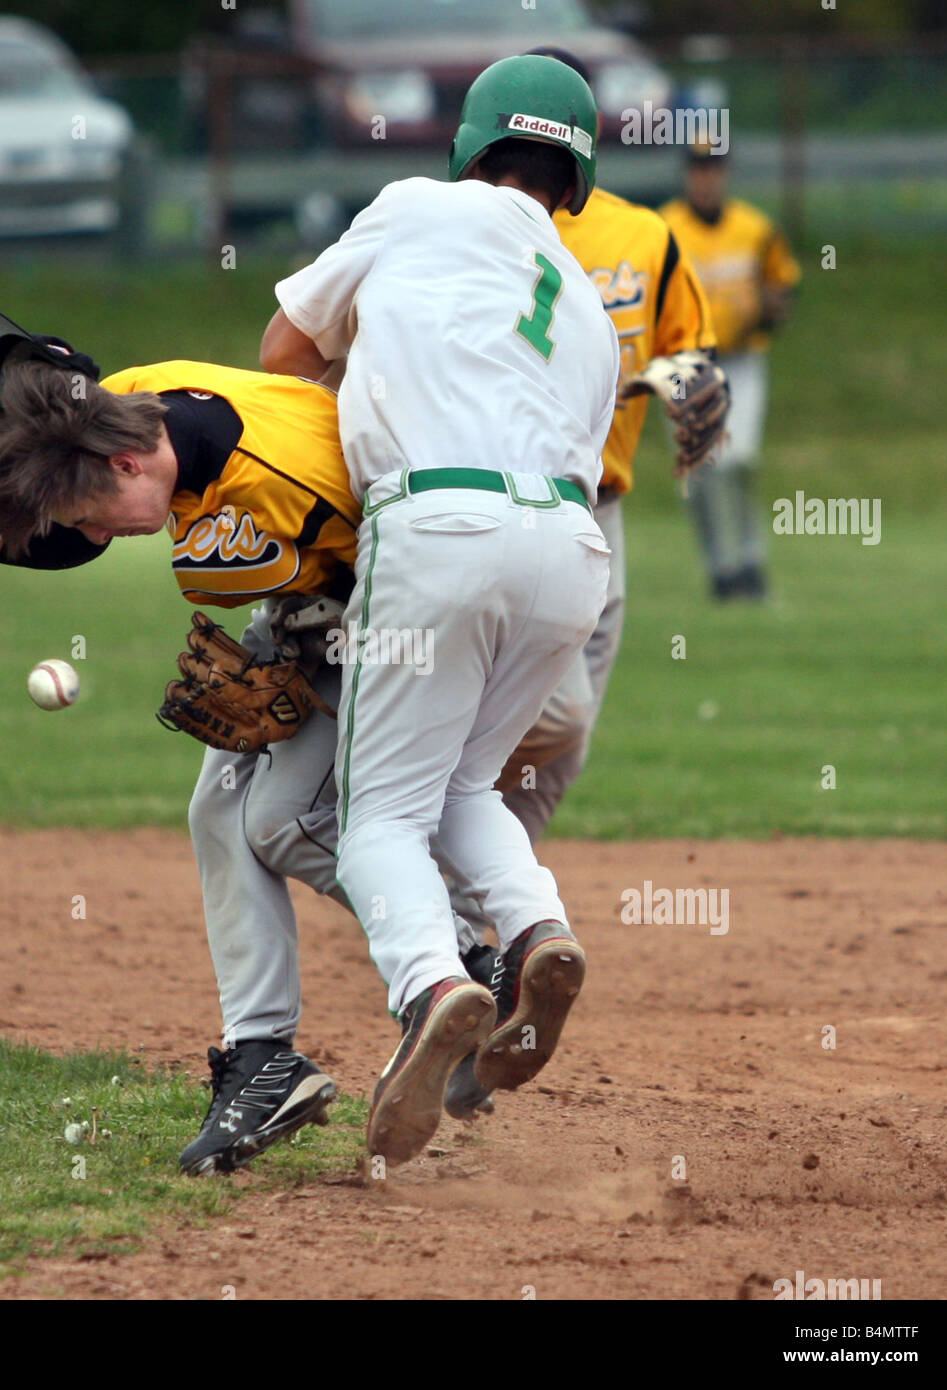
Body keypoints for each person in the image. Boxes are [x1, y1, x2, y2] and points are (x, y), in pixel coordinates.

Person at [260, 54, 618, 1165]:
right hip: (569, 550)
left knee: (378, 815)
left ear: (470, 147)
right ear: (576, 177)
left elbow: (283, 354)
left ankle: (432, 985)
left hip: (438, 530)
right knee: (466, 784)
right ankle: (533, 929)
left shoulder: (417, 205)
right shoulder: (590, 305)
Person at [0, 301, 359, 1175]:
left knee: (284, 823)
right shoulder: (136, 402)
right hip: (320, 605)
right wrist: (7, 537)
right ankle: (262, 1058)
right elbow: (97, 519)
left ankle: (467, 950)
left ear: (113, 452)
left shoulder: (250, 496)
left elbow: (379, 553)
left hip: (392, 616)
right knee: (220, 811)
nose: (91, 529)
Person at [661, 146, 801, 600]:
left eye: (714, 168)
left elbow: (783, 282)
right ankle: (722, 569)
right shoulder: (664, 229)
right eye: (698, 168)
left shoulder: (754, 228)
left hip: (740, 361)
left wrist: (767, 311)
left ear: (725, 173)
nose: (706, 178)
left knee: (737, 461)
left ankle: (751, 561)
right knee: (701, 468)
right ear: (688, 174)